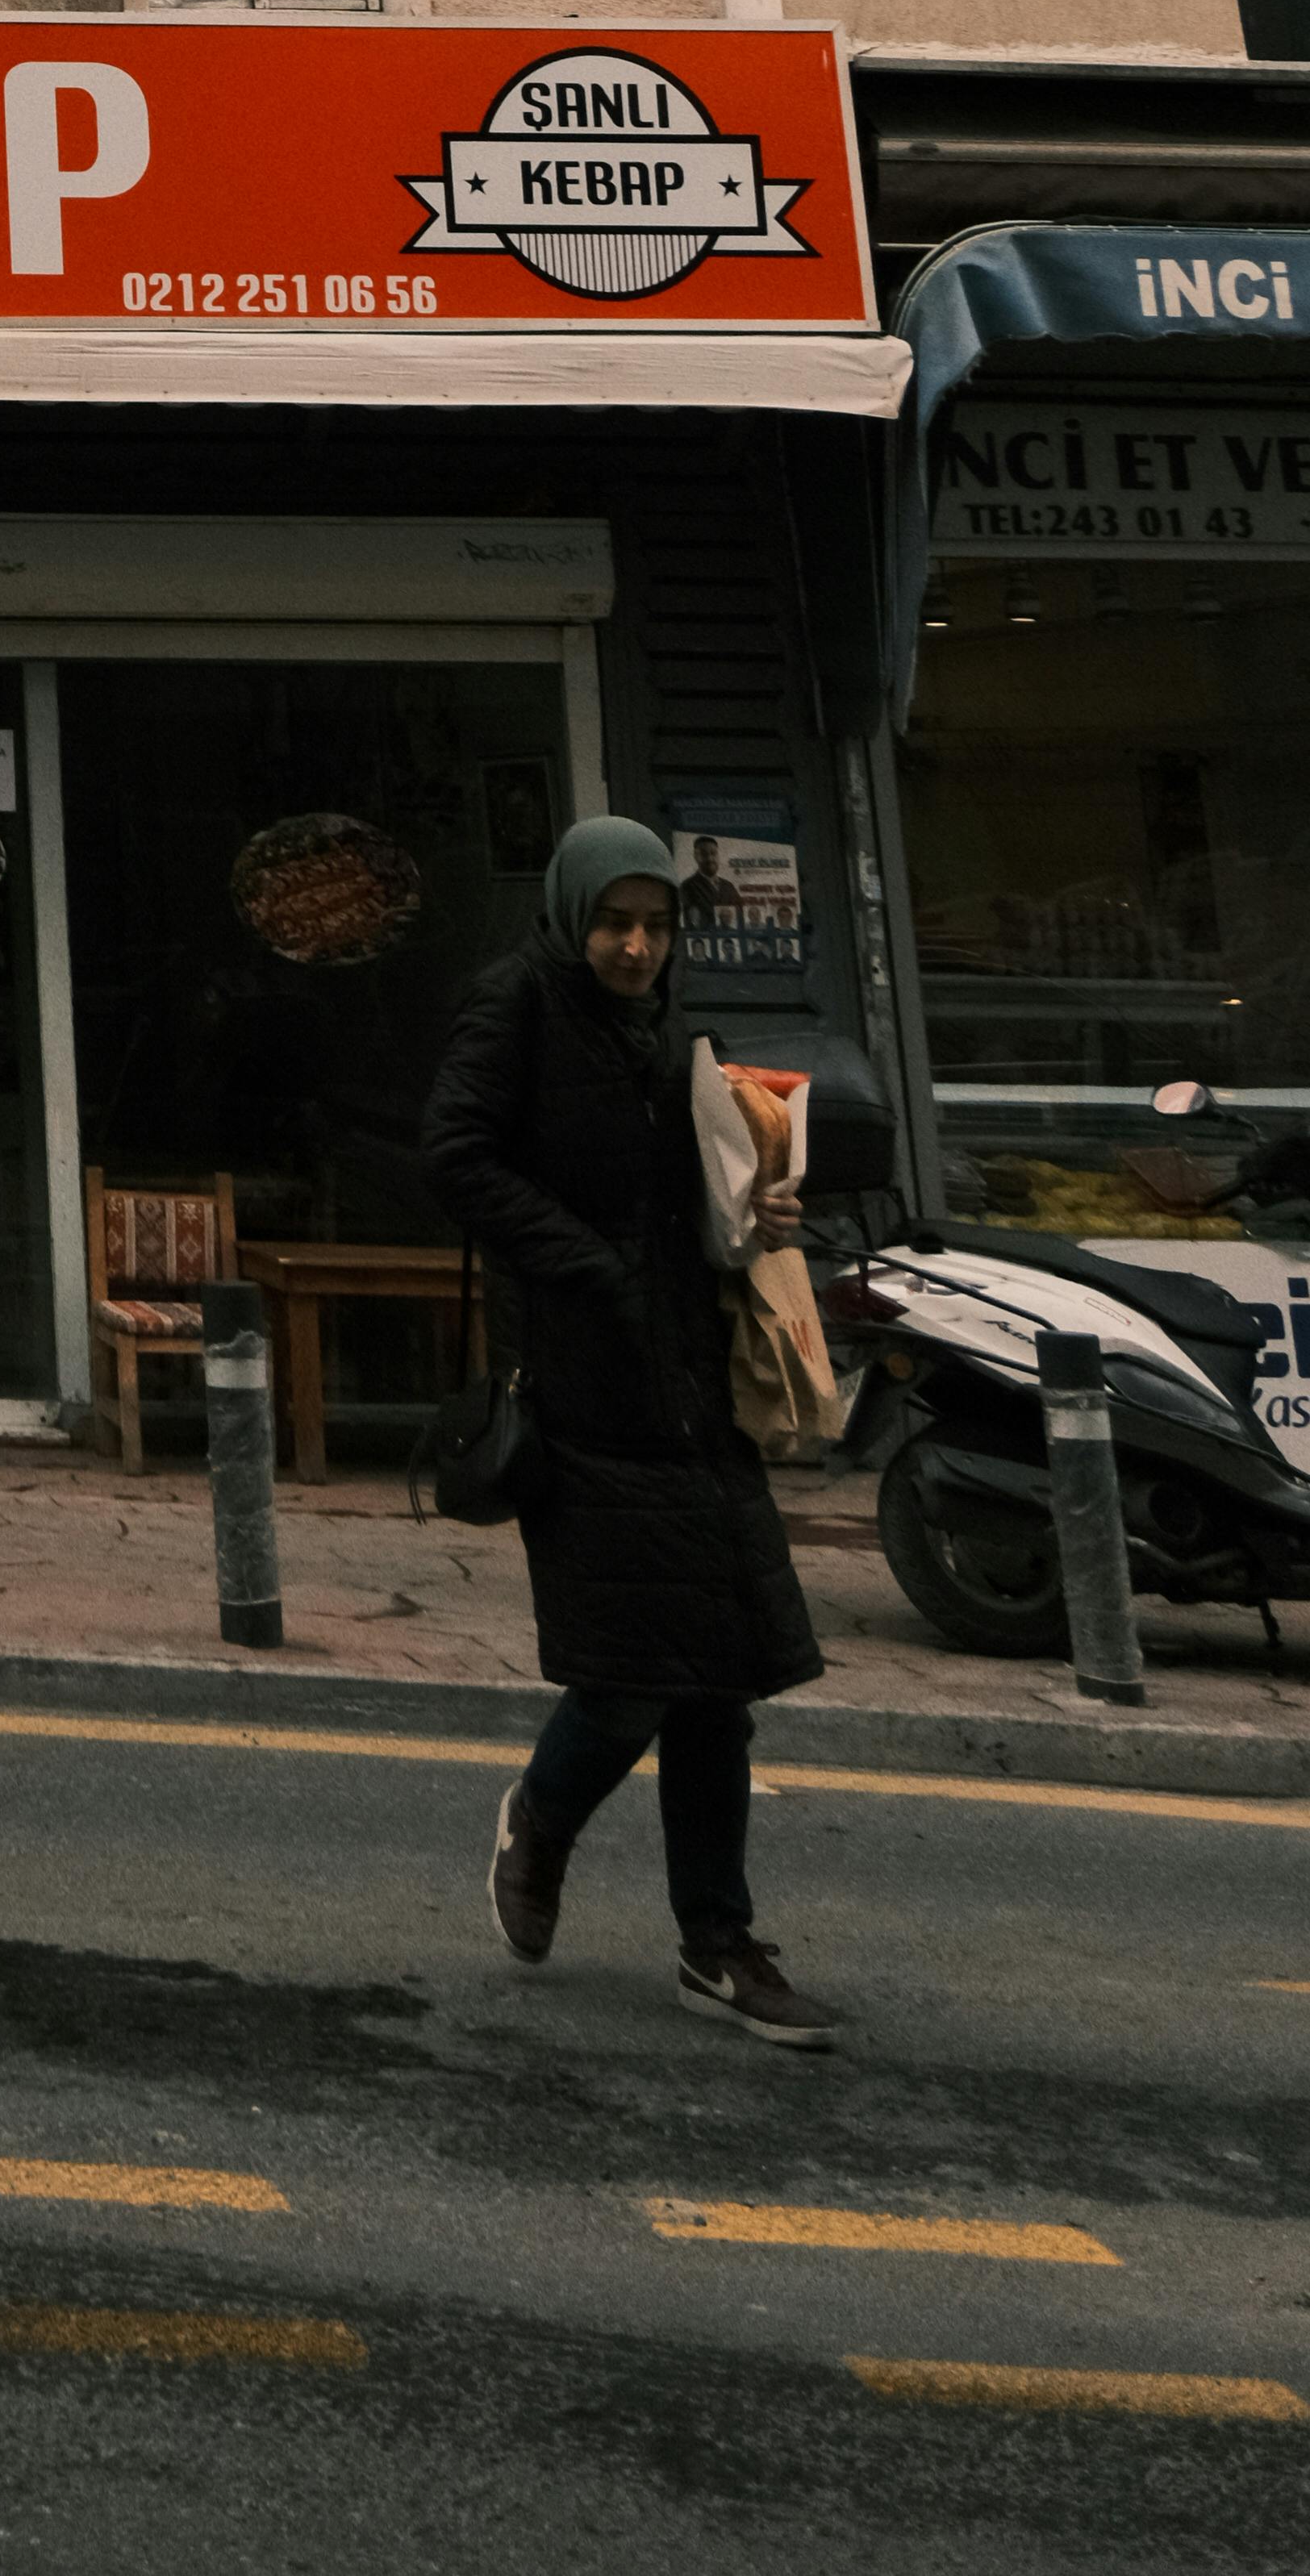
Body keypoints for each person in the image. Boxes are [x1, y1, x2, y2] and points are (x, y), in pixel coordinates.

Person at [419, 811, 834, 2045]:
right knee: (631, 1675)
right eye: (615, 923)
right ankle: (541, 1822)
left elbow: (687, 1185)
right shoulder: (517, 1004)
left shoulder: (668, 1026)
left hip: (693, 1380)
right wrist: (588, 1264)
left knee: (722, 1679)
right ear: (573, 915)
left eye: (656, 926)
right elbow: (455, 1156)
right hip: (583, 1383)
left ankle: (718, 1944)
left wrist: (757, 1208)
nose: (637, 947)